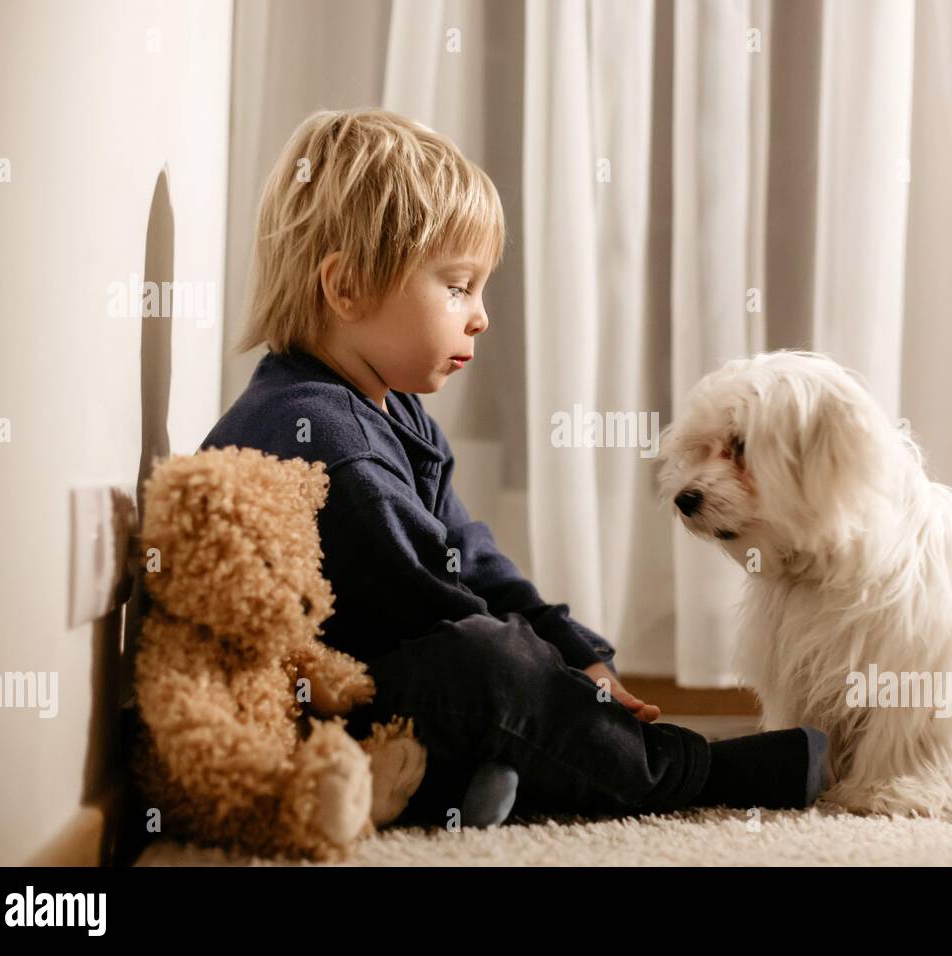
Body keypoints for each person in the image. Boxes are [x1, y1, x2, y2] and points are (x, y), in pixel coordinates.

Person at [201, 108, 830, 828]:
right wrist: (550, 685)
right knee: (487, 668)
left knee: (508, 664)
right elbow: (433, 604)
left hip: (385, 678)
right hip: (314, 715)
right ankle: (692, 771)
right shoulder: (325, 439)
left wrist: (577, 658)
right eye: (458, 286)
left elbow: (471, 555)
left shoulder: (395, 411)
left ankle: (496, 779)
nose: (480, 317)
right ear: (346, 289)